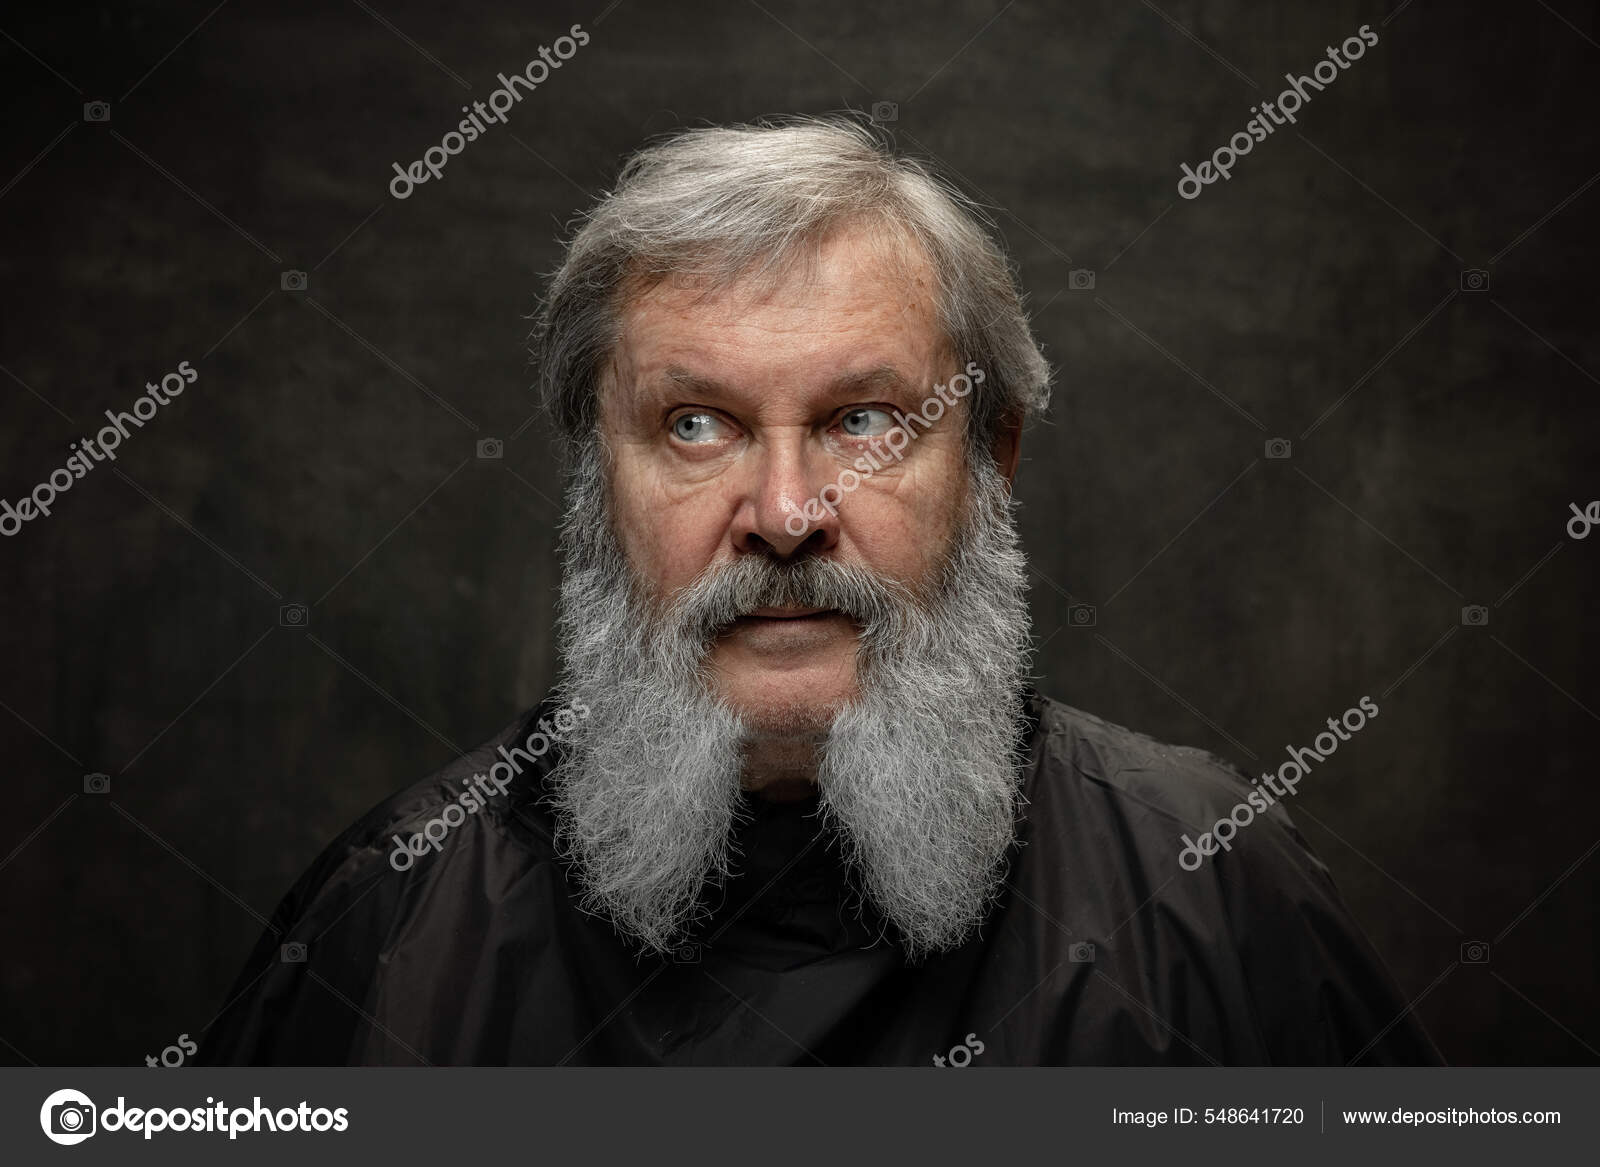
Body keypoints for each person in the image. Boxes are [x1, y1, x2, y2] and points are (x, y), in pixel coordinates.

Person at [197, 116, 1439, 1066]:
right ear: (596, 482)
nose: (785, 514)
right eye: (695, 424)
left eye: (863, 421)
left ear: (990, 460)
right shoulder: (392, 927)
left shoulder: (1212, 894)